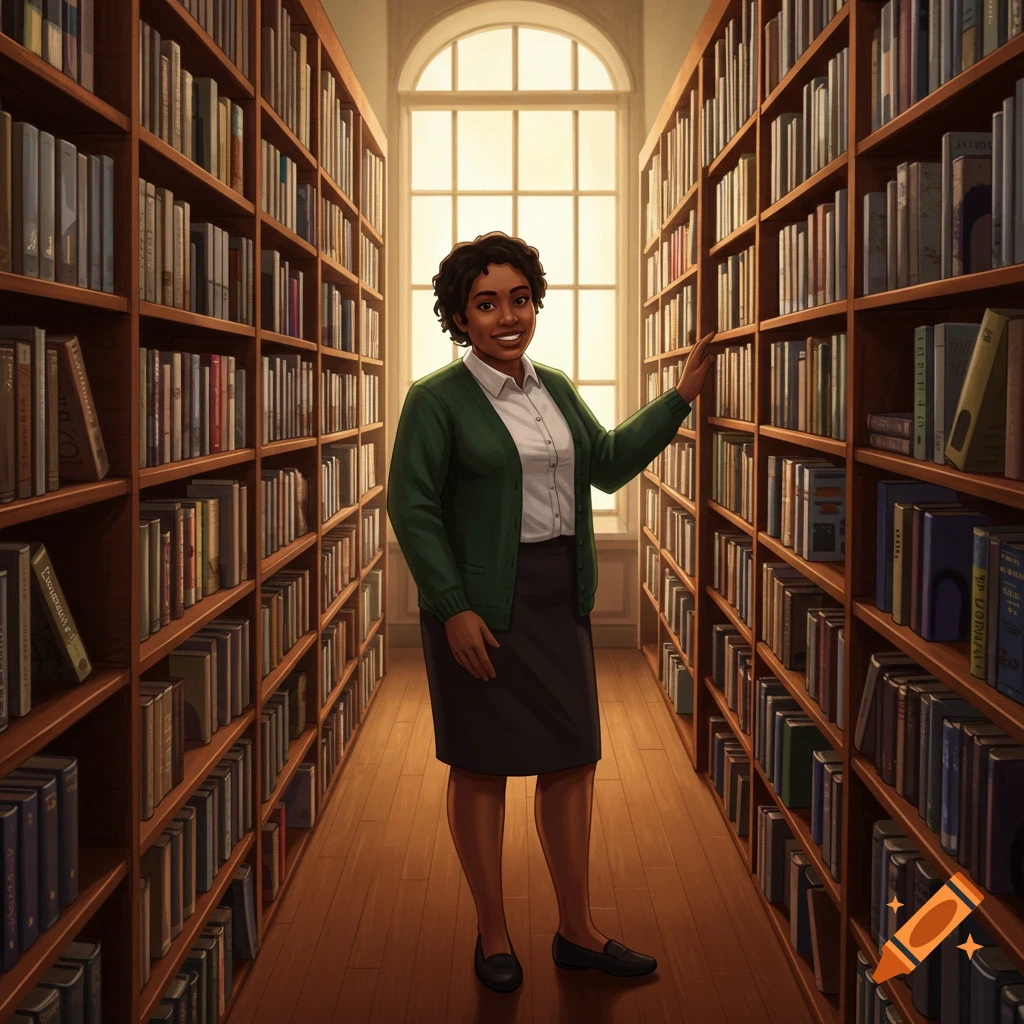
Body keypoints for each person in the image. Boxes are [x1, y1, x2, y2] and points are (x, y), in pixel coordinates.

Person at [387, 231, 715, 993]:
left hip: (555, 597)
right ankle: (494, 932)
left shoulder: (555, 387)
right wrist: (451, 608)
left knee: (573, 758)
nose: (508, 316)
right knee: (480, 766)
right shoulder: (435, 400)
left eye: (520, 298)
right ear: (460, 316)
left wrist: (679, 401)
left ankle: (577, 930)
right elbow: (413, 508)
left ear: (536, 302)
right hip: (479, 607)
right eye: (487, 303)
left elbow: (604, 464)